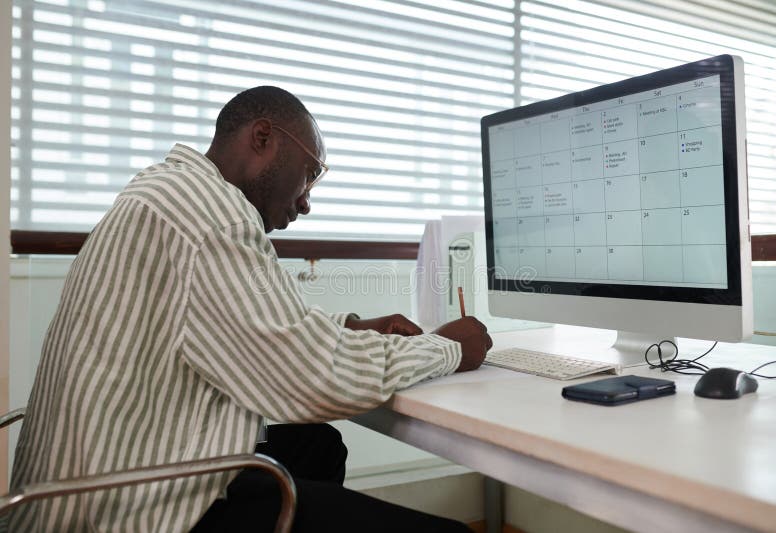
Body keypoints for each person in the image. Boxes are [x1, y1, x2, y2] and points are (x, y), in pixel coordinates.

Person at [8, 86, 492, 532]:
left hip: (85, 478)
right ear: (263, 137)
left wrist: (354, 328)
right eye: (309, 174)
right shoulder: (211, 218)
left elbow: (248, 323)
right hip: (118, 509)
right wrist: (446, 347)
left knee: (316, 446)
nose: (305, 203)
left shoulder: (170, 193)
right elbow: (314, 379)